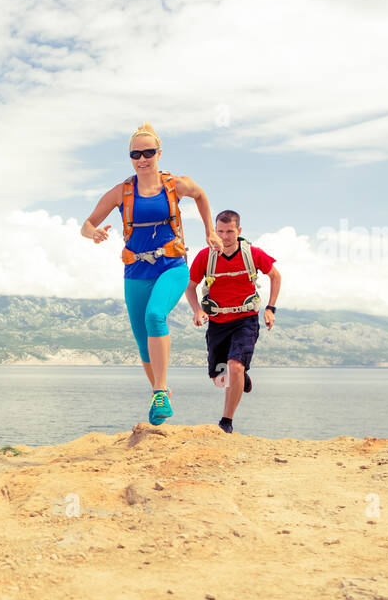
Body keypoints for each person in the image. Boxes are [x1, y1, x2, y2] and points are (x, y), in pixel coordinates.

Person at [80, 123, 223, 425]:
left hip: (172, 266)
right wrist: (93, 234)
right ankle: (162, 394)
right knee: (143, 342)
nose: (142, 159)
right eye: (135, 154)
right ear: (130, 157)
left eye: (148, 152)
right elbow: (87, 224)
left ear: (159, 153)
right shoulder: (122, 191)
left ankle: (159, 391)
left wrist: (210, 230)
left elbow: (200, 194)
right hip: (136, 271)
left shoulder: (175, 185)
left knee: (155, 315)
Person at [184, 210, 282, 434]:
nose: (225, 236)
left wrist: (270, 308)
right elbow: (190, 286)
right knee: (220, 379)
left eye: (229, 231)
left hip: (245, 320)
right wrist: (197, 310)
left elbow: (275, 276)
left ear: (239, 231)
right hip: (218, 322)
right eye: (220, 231)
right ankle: (240, 375)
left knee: (234, 366)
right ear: (213, 232)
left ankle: (226, 422)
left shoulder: (253, 254)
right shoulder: (205, 257)